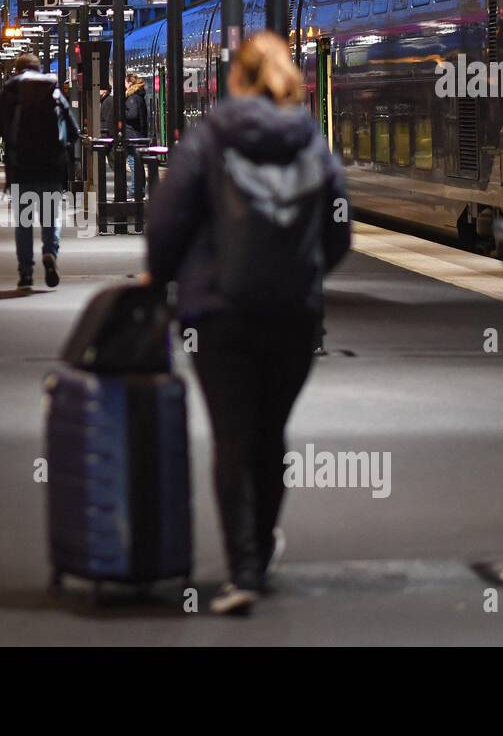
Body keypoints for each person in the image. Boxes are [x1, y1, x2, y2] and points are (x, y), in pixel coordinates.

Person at [144, 31, 351, 617]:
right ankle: (260, 548)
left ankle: (244, 571)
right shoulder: (313, 139)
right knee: (270, 434)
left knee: (234, 435)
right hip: (295, 314)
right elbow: (339, 231)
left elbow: (169, 218)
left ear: (234, 78)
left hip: (219, 312)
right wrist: (304, 277)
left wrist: (160, 279)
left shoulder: (210, 135)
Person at [0, 53, 79, 289]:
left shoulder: (8, 95)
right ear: (38, 68)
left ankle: (26, 275)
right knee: (50, 218)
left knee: (24, 223)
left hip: (21, 169)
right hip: (52, 169)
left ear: (16, 71)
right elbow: (73, 132)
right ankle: (50, 253)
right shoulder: (53, 92)